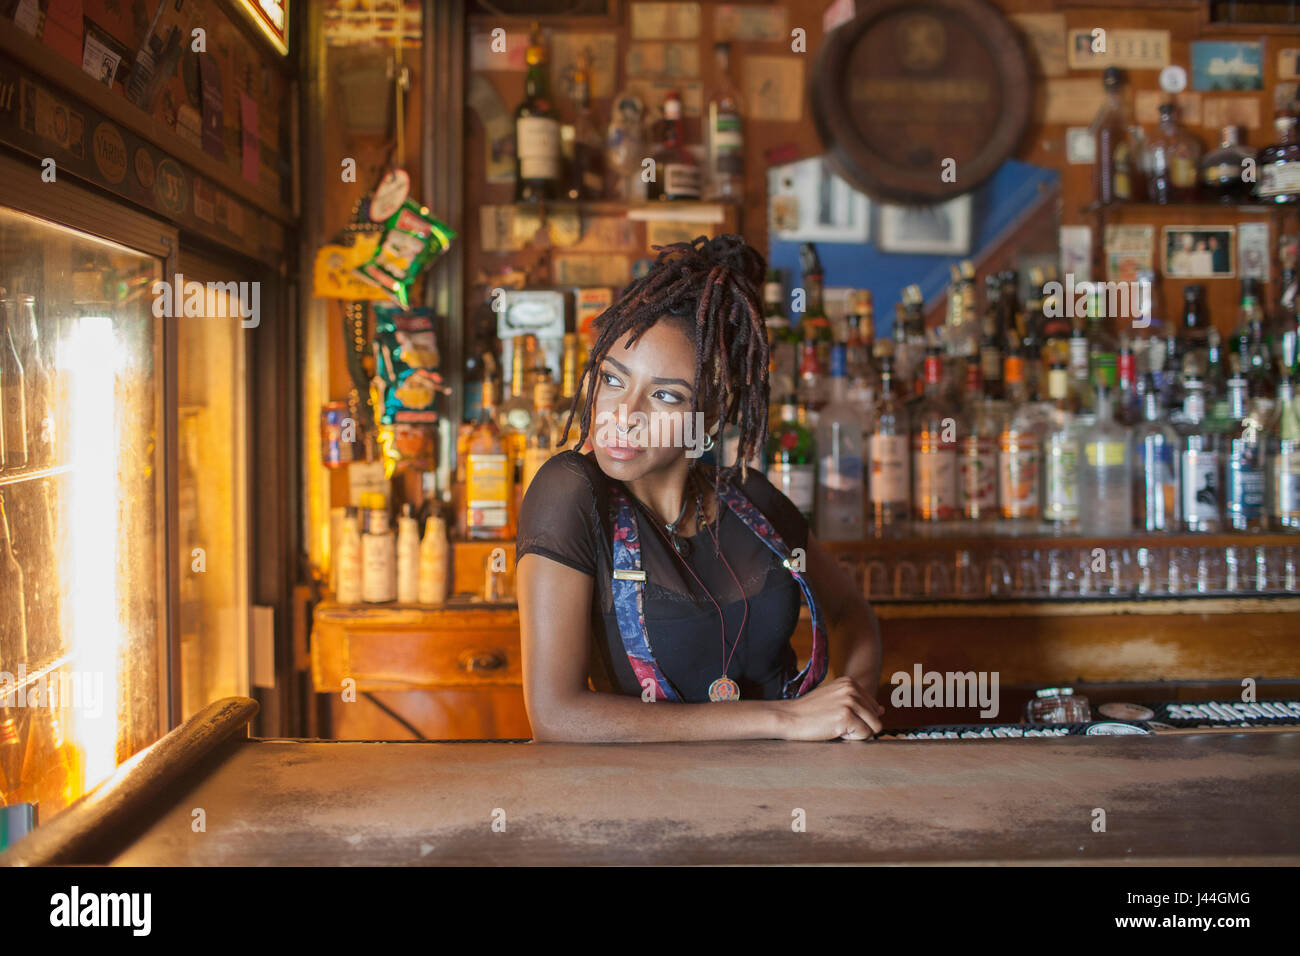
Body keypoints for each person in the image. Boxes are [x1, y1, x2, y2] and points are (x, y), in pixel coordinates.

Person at [516, 235, 884, 743]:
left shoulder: (752, 499)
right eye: (613, 380)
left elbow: (850, 613)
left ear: (708, 417)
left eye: (664, 395)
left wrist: (849, 710)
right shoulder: (571, 493)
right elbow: (555, 717)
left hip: (791, 794)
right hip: (652, 805)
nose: (624, 416)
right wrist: (783, 719)